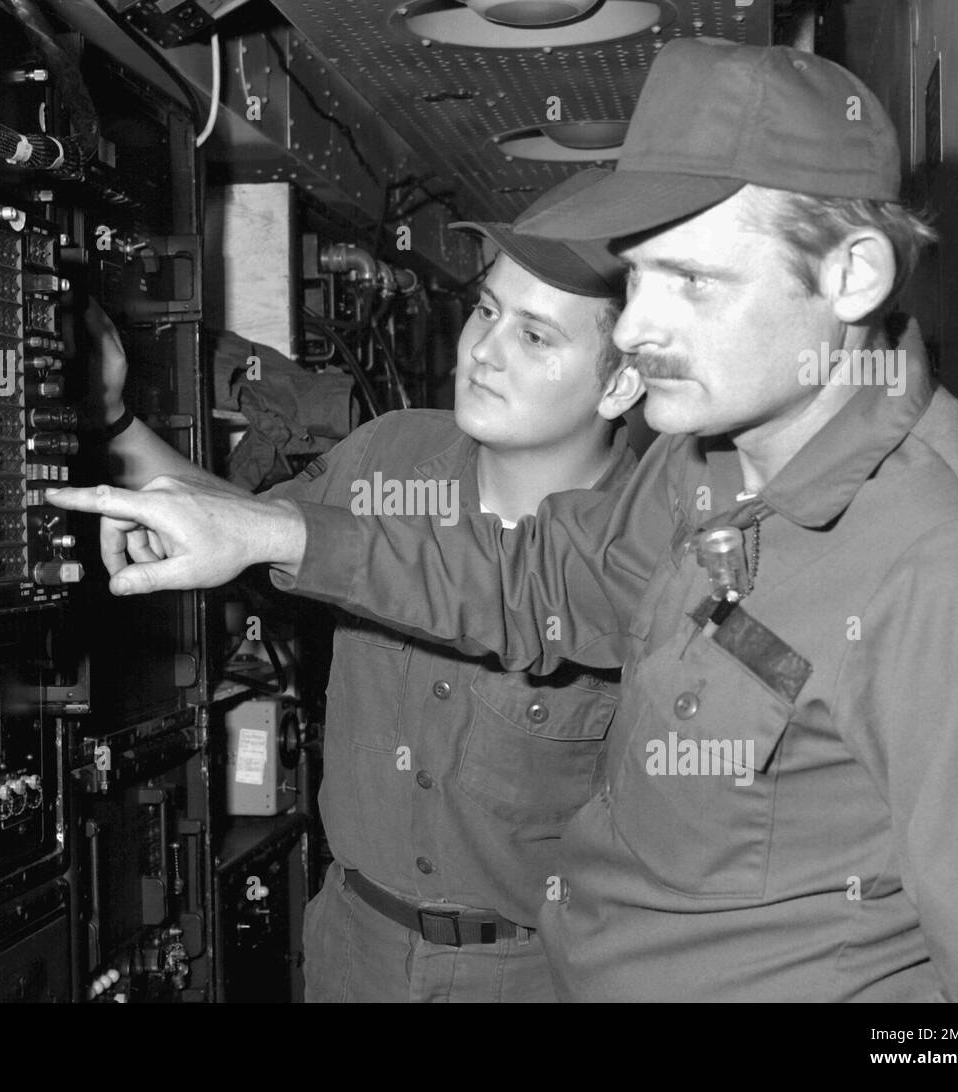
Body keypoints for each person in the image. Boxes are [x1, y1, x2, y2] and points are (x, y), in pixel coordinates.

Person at [50, 38, 958, 1001]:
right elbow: (533, 582)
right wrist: (271, 533)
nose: (635, 325)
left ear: (852, 277)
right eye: (638, 274)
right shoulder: (707, 468)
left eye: (692, 281)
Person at [79, 169, 642, 1001]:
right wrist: (116, 420)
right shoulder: (391, 458)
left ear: (623, 382)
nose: (482, 351)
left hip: (533, 972)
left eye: (534, 337)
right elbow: (250, 529)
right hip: (354, 948)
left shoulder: (646, 544)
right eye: (487, 310)